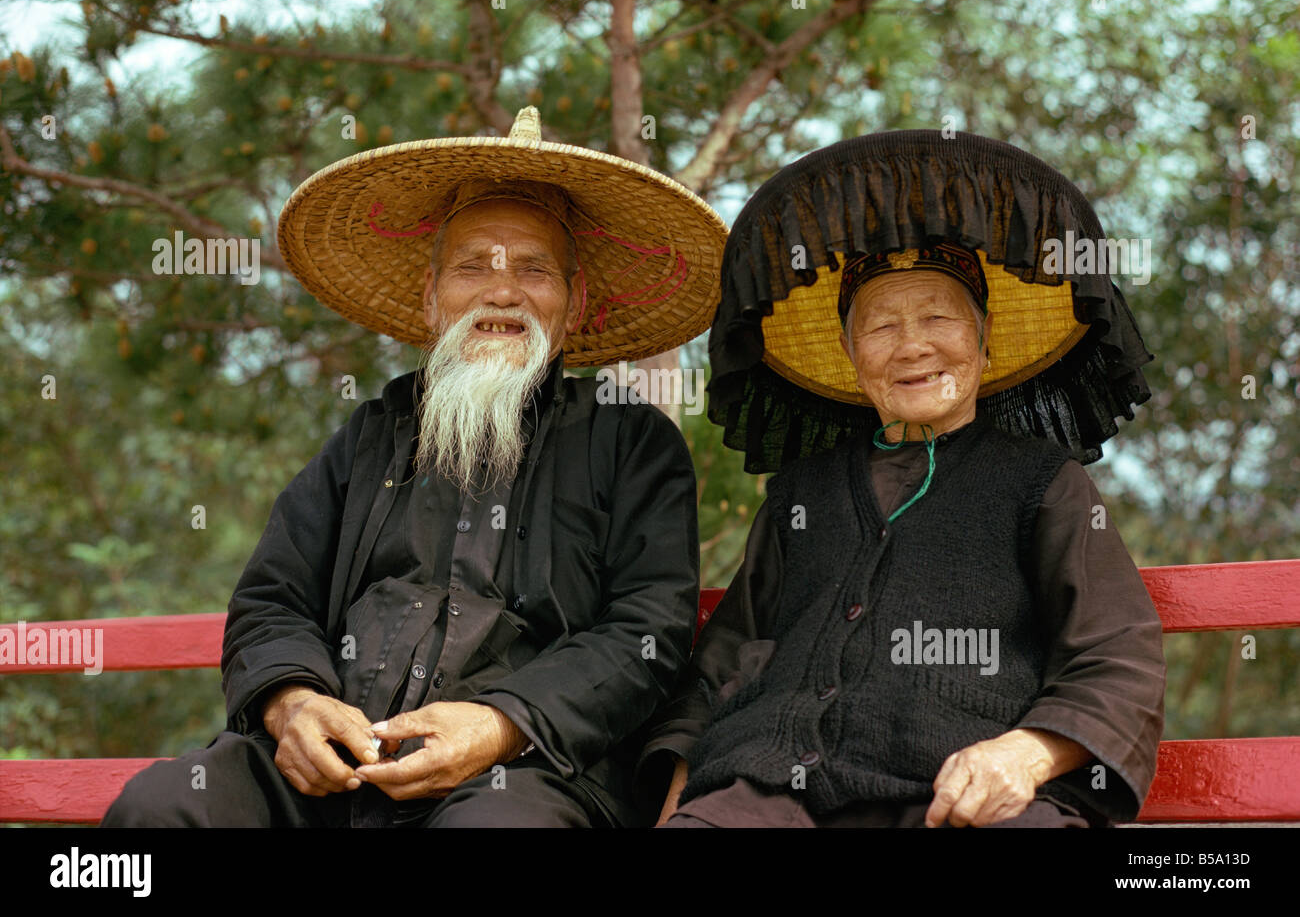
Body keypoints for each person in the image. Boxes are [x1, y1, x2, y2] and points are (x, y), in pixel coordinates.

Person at [103, 107, 728, 828]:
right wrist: (293, 703)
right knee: (165, 805)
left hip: (525, 777)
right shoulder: (369, 437)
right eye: (472, 267)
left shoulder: (630, 443)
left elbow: (645, 634)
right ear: (432, 300)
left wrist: (499, 725)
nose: (502, 292)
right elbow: (272, 601)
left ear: (575, 304)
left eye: (533, 269)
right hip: (332, 778)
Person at [642, 129, 1166, 828]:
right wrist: (682, 803)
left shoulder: (1044, 483)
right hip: (769, 795)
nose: (913, 344)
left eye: (938, 317)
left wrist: (1024, 754)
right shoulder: (802, 493)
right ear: (852, 359)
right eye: (881, 326)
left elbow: (1116, 657)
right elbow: (719, 667)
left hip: (957, 802)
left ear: (983, 344)